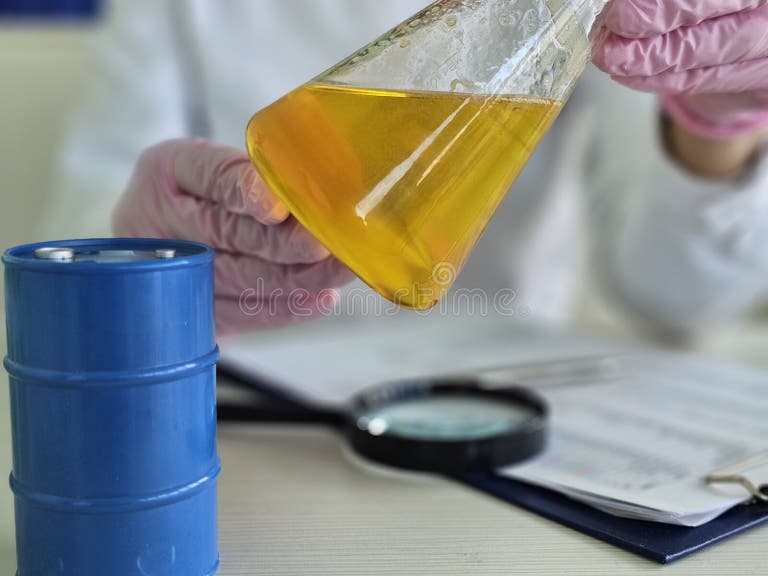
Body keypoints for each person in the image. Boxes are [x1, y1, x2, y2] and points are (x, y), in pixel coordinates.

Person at [41, 0, 768, 338]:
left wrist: (715, 124)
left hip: (500, 405)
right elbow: (67, 245)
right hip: (246, 415)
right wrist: (137, 252)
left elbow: (675, 298)